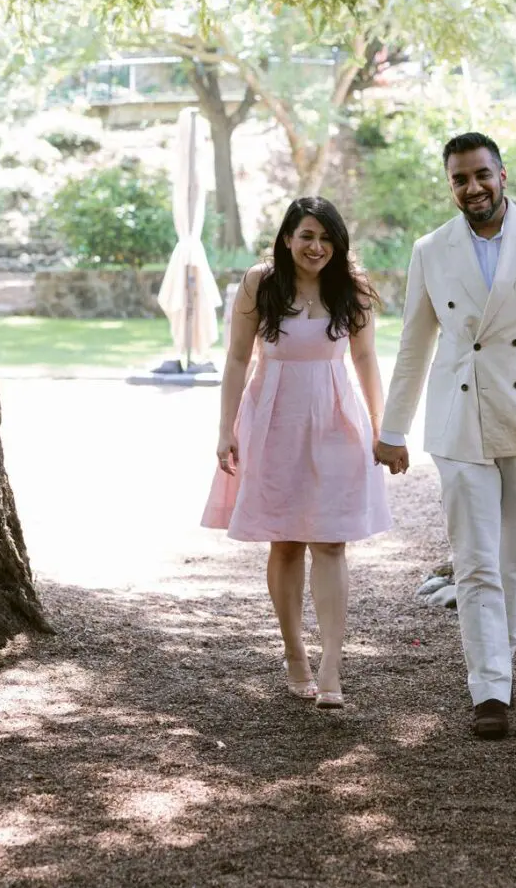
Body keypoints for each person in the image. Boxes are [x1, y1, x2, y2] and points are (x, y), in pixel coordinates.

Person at [375, 133, 516, 740]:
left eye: (480, 175)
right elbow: (414, 344)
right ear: (450, 185)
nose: (471, 188)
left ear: (503, 175)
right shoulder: (431, 249)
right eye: (459, 179)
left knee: (512, 558)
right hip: (459, 419)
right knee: (475, 562)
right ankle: (489, 689)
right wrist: (392, 430)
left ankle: (499, 663)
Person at [202, 196, 390, 710]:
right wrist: (225, 429)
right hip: (273, 419)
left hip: (335, 418)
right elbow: (238, 358)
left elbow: (367, 358)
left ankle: (332, 662)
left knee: (331, 541)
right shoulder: (260, 283)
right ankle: (294, 655)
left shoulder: (350, 286)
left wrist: (382, 428)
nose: (317, 247)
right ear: (287, 238)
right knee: (284, 542)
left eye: (327, 238)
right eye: (307, 235)